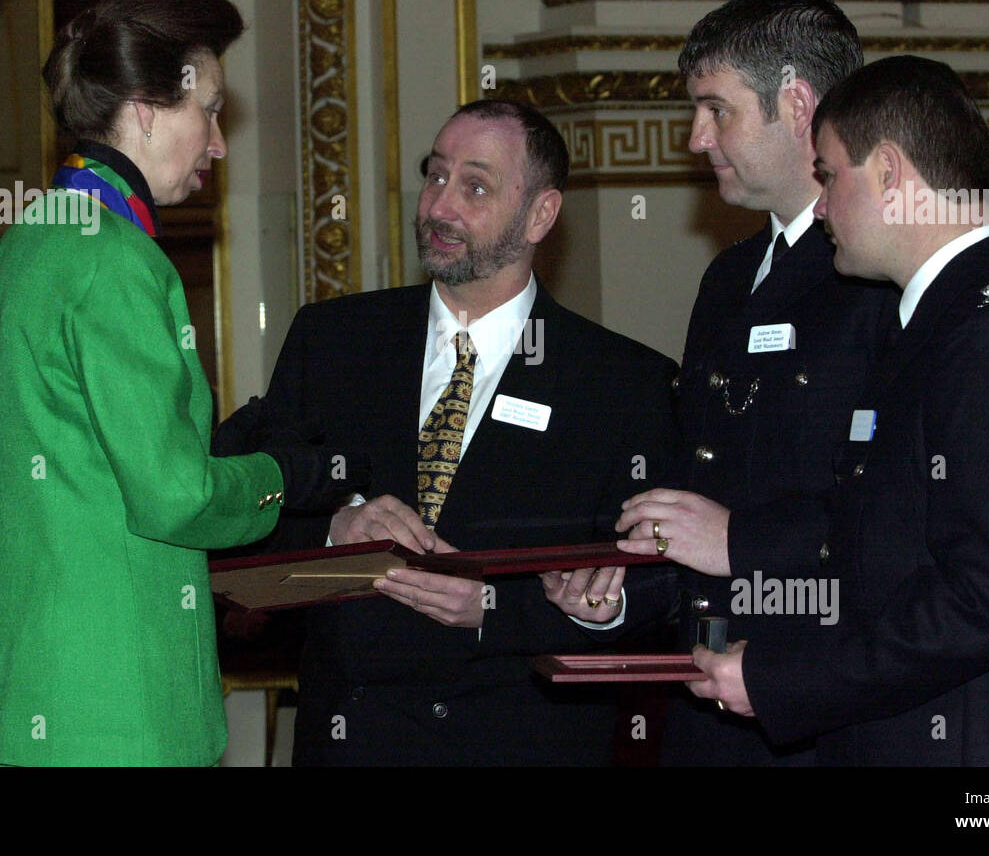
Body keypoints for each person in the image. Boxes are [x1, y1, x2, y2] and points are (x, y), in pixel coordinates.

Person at [625, 56, 989, 765]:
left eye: (828, 174)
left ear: (889, 173)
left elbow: (984, 600)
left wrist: (789, 678)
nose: (819, 206)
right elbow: (883, 549)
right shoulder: (943, 316)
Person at [212, 99, 676, 766]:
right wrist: (331, 535)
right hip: (353, 740)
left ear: (542, 214)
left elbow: (657, 589)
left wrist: (502, 609)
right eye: (435, 176)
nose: (438, 206)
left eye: (475, 186)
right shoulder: (335, 340)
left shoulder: (622, 382)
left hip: (521, 744)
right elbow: (243, 531)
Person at [0, 0, 359, 766]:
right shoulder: (117, 257)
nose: (218, 141)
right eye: (208, 110)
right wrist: (285, 475)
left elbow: (89, 462)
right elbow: (172, 497)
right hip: (122, 703)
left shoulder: (29, 242)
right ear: (146, 110)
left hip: (39, 686)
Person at [552, 0, 898, 766]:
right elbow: (700, 489)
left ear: (799, 104)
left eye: (718, 108)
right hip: (709, 700)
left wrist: (741, 539)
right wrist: (614, 592)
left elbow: (901, 513)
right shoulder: (730, 277)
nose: (696, 136)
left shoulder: (884, 278)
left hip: (826, 703)